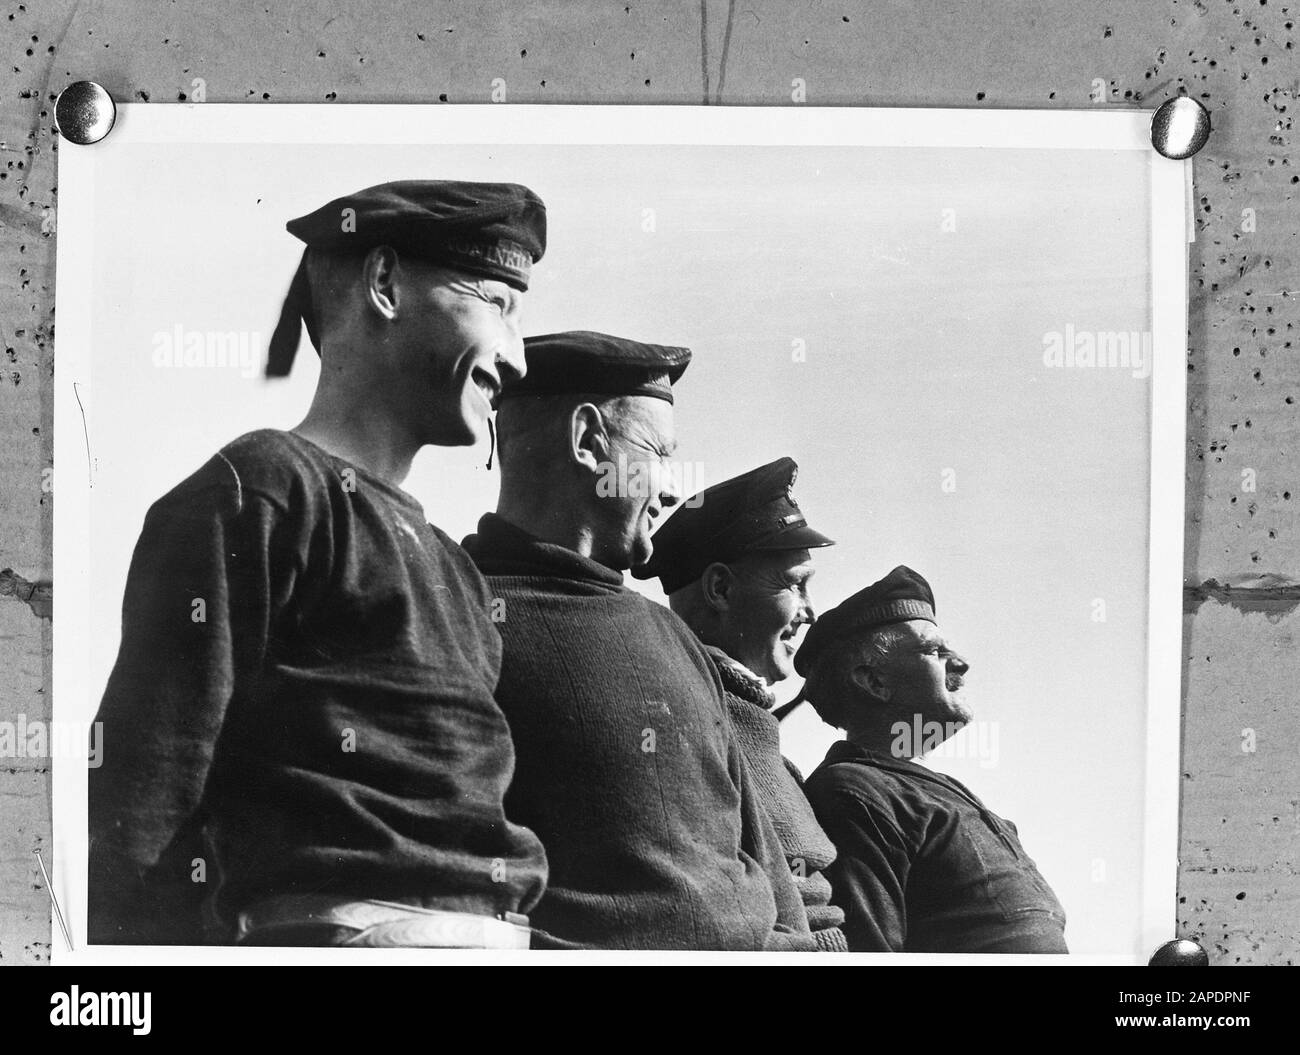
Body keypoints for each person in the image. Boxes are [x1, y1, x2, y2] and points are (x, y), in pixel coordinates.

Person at [89, 180, 551, 948]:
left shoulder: (456, 570)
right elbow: (144, 800)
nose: (520, 358)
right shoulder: (262, 491)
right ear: (383, 284)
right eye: (498, 303)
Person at [461, 331, 815, 950]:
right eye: (659, 453)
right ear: (588, 440)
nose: (674, 489)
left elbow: (774, 886)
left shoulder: (671, 635)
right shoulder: (456, 614)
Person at [634, 457, 849, 951]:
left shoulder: (774, 755)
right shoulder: (678, 726)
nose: (810, 612)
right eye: (795, 585)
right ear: (721, 589)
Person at [797, 566, 1069, 953]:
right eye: (934, 651)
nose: (959, 663)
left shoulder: (939, 790)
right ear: (873, 680)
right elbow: (869, 952)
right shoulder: (852, 791)